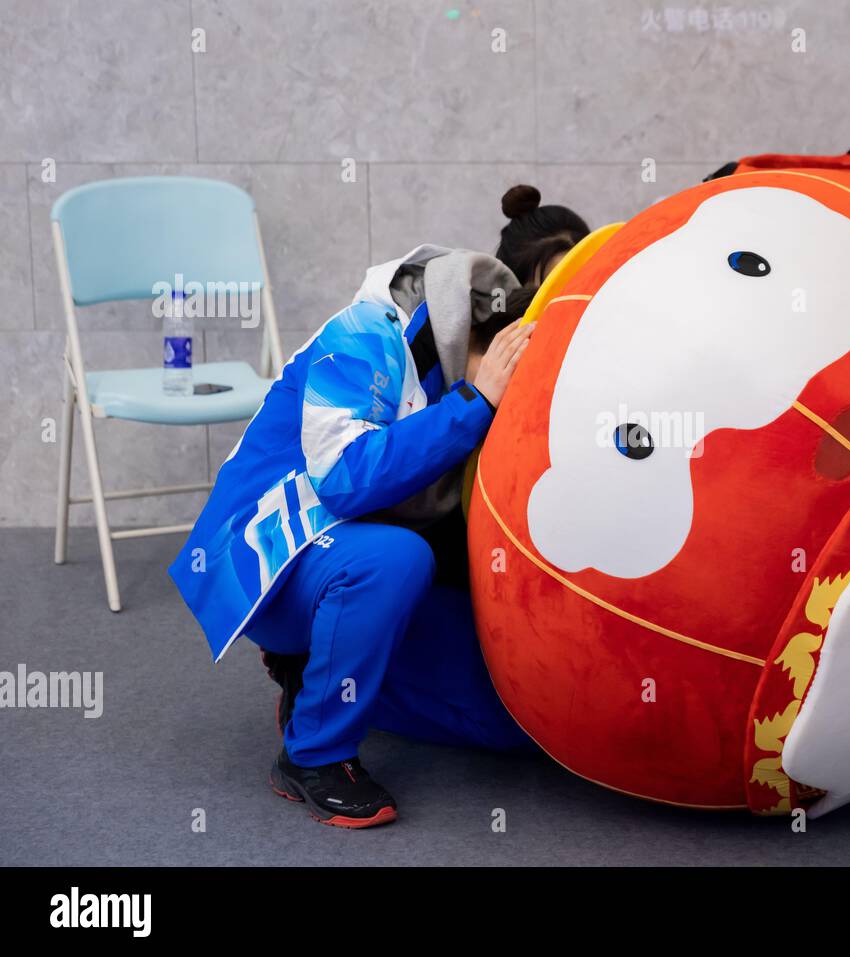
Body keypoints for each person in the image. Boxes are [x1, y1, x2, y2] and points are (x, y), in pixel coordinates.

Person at [169, 185, 590, 828]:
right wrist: (477, 402)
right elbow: (342, 478)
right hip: (271, 553)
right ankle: (313, 754)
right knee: (394, 560)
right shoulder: (364, 333)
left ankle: (313, 673)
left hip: (351, 550)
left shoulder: (445, 380)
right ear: (465, 338)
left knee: (516, 715)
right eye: (495, 369)